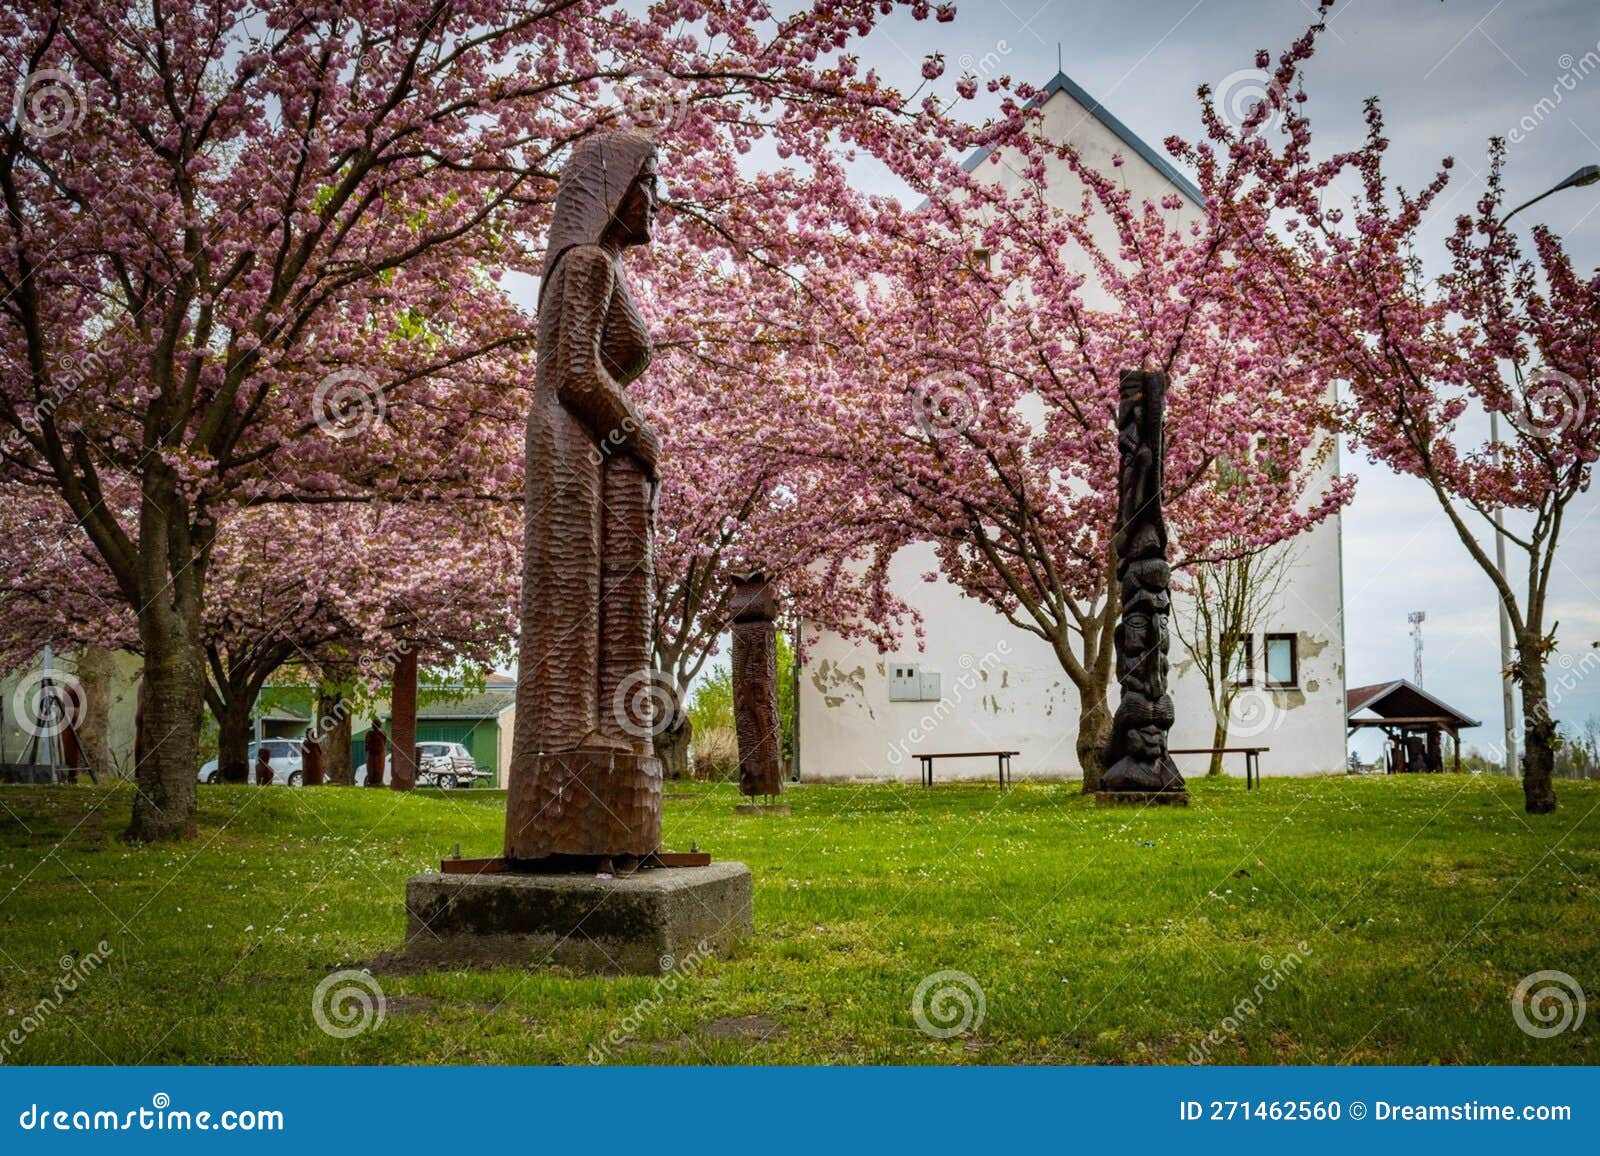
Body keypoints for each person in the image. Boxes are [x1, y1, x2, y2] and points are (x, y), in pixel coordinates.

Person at [506, 131, 664, 860]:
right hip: (568, 438)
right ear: (612, 191)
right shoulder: (587, 263)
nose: (656, 201)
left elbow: (623, 352)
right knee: (571, 589)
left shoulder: (607, 268)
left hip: (591, 438)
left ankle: (599, 730)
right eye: (646, 184)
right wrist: (636, 432)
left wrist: (627, 433)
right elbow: (574, 372)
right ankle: (564, 742)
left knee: (602, 587)